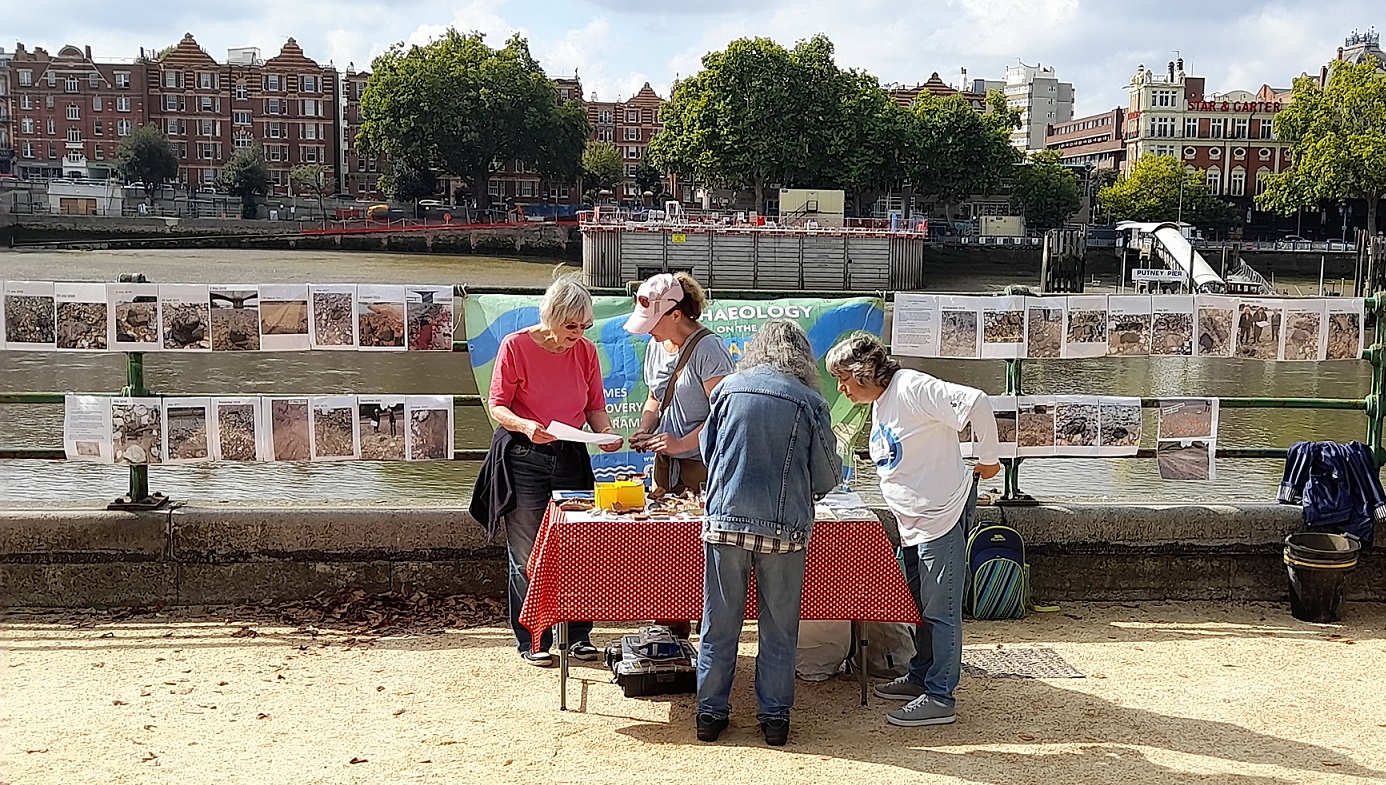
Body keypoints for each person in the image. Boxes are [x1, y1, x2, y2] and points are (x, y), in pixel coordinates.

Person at [825, 332, 1000, 728]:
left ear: (865, 373)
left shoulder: (912, 387)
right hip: (914, 521)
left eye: (844, 379)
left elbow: (977, 402)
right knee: (921, 606)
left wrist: (989, 462)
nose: (841, 388)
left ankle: (941, 695)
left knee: (941, 609)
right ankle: (922, 675)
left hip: (941, 516)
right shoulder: (884, 399)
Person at [695, 319, 841, 747]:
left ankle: (710, 713)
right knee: (778, 626)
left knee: (718, 623)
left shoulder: (727, 389)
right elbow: (827, 475)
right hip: (784, 530)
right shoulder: (810, 400)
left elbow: (709, 451)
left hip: (725, 522)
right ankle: (774, 718)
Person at [469, 276, 623, 667]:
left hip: (570, 452)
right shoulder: (516, 346)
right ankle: (532, 637)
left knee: (577, 546)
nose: (578, 333)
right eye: (571, 326)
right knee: (526, 553)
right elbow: (498, 406)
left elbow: (594, 407)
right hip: (523, 455)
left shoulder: (585, 352)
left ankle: (576, 635)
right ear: (551, 318)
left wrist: (604, 434)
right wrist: (525, 426)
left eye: (584, 326)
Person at [624, 272, 734, 498]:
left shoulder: (709, 349)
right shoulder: (656, 345)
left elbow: (725, 414)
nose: (647, 330)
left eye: (652, 322)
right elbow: (655, 397)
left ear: (675, 315)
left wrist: (681, 444)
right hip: (665, 467)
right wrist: (646, 430)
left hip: (702, 467)